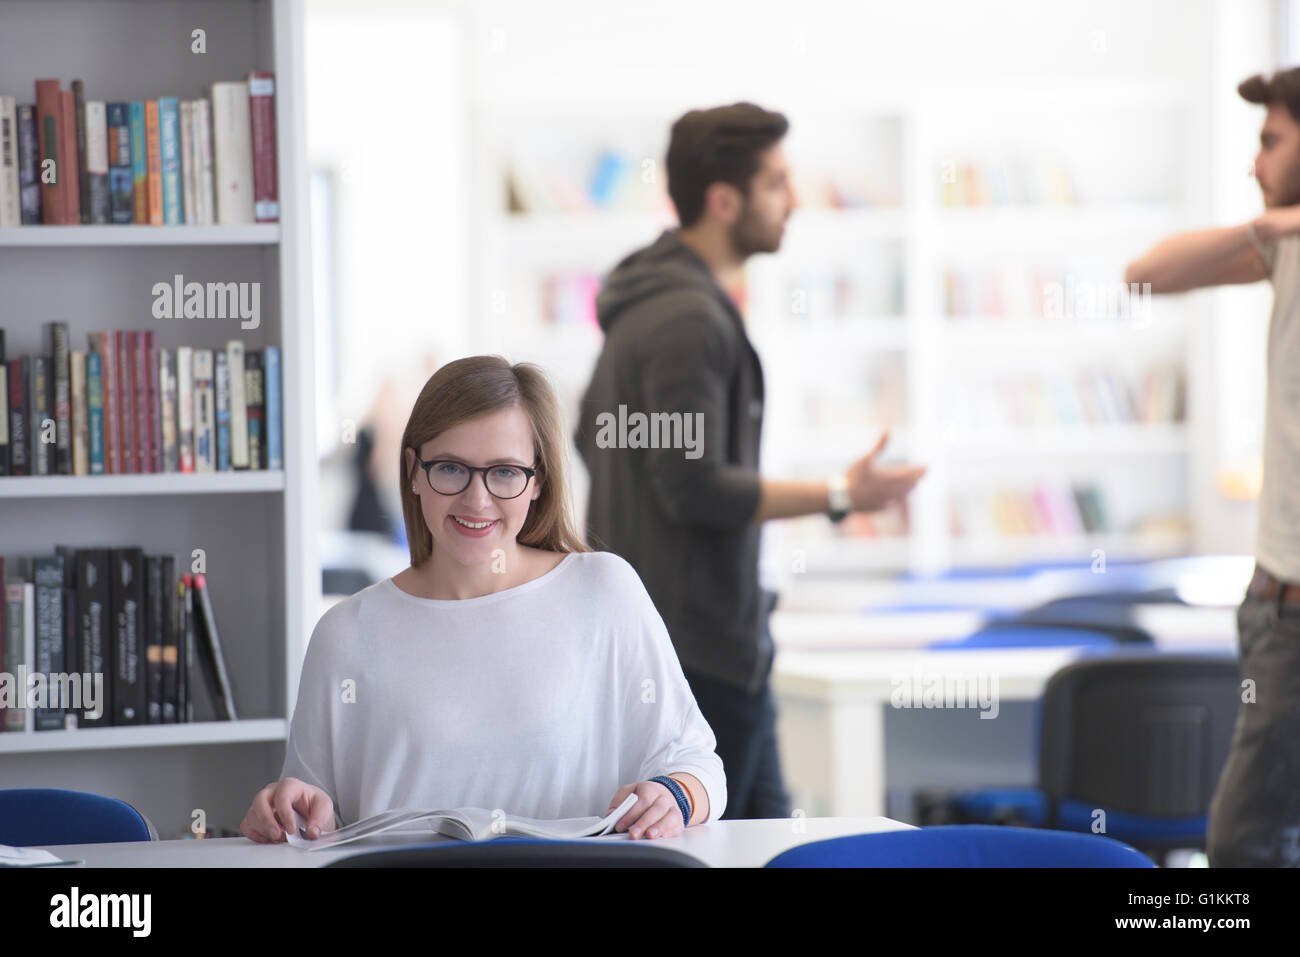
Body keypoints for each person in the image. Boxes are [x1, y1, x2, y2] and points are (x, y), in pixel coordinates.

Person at [574, 103, 927, 821]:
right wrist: (841, 493)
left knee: (770, 842)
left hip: (700, 641)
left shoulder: (655, 301)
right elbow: (693, 484)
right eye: (777, 182)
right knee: (730, 845)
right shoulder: (687, 318)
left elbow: (592, 434)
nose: (794, 200)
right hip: (695, 651)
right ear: (724, 200)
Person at [242, 355, 726, 843]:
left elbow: (698, 765)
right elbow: (308, 817)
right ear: (413, 470)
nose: (477, 500)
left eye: (505, 473)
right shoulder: (345, 632)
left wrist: (676, 796)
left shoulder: (604, 592)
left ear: (537, 481)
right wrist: (287, 813)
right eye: (451, 469)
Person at [1126, 66, 1300, 867]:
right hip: (1273, 609)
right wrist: (1276, 228)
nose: (1254, 163)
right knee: (1248, 839)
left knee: (1242, 842)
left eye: (1270, 142)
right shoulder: (1282, 247)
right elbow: (1149, 273)